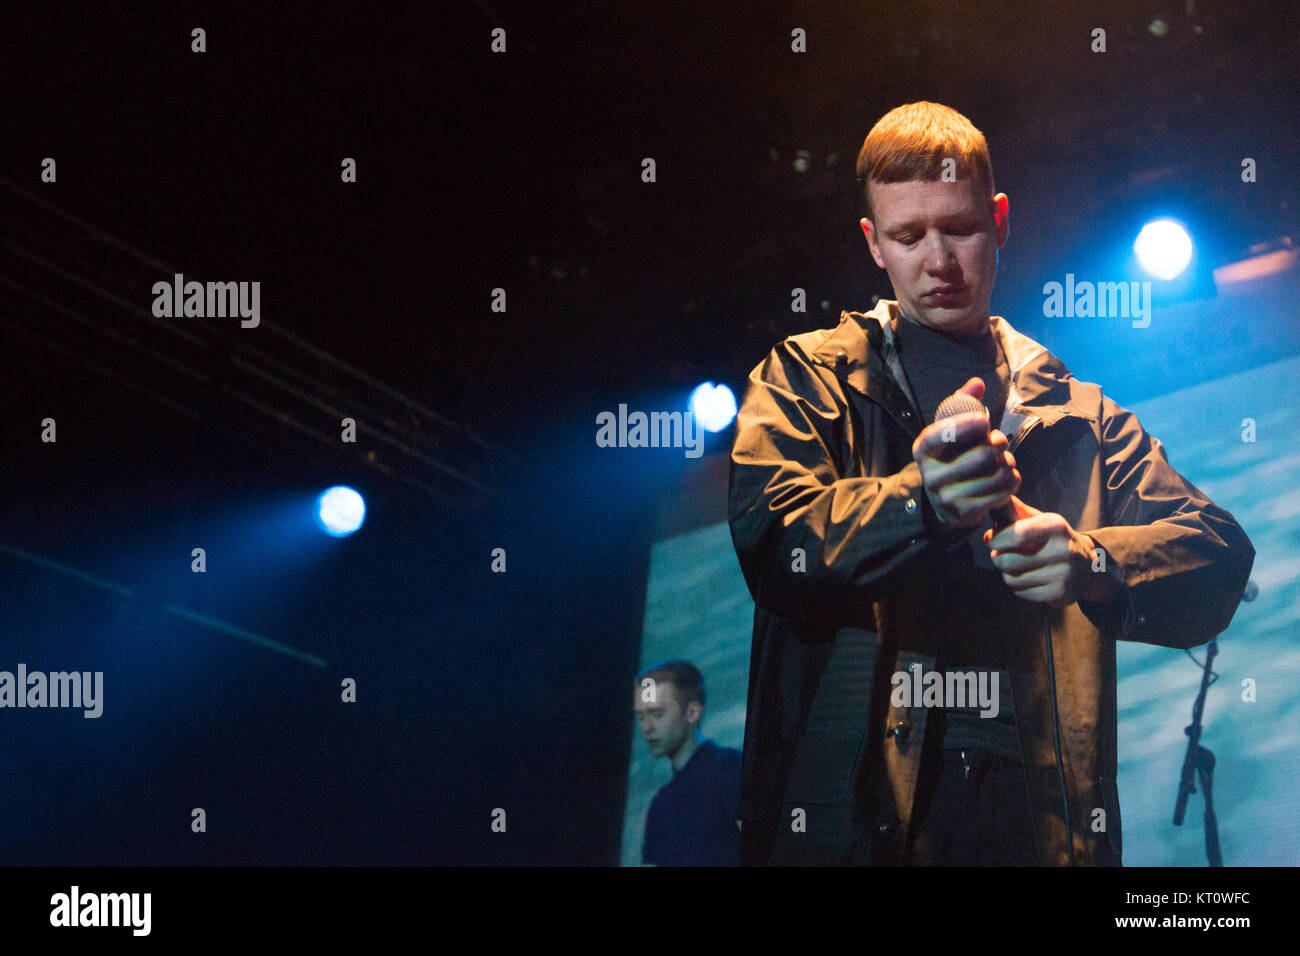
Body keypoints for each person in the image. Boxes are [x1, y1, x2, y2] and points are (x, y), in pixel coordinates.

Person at [726, 101, 1255, 866]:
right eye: (908, 236)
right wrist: (921, 503)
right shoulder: (805, 378)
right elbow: (775, 537)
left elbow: (1220, 553)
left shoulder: (1081, 416)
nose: (938, 260)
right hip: (857, 832)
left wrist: (1092, 562)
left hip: (1039, 832)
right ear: (873, 243)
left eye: (960, 228)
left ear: (999, 220)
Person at [633, 660, 742, 866]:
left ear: (692, 712)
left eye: (657, 713)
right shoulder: (660, 805)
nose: (647, 727)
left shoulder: (731, 768)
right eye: (640, 717)